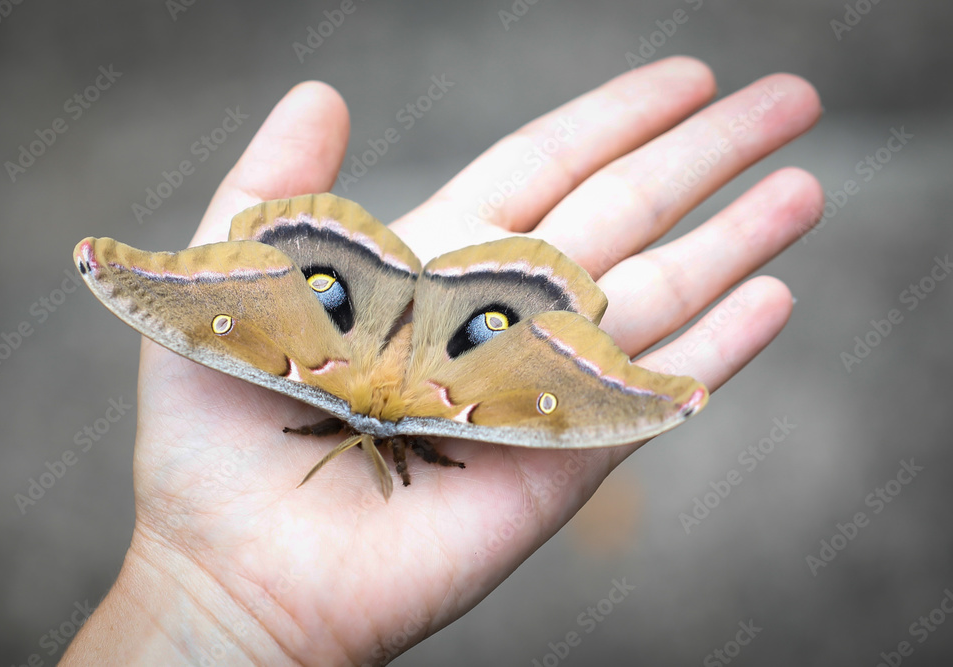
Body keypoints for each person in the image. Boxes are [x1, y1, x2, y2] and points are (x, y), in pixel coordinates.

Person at [61, 56, 822, 665]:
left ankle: (378, 304)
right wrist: (224, 612)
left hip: (344, 319)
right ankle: (482, 323)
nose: (365, 433)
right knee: (507, 400)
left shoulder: (344, 411)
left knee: (295, 342)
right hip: (457, 337)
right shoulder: (399, 426)